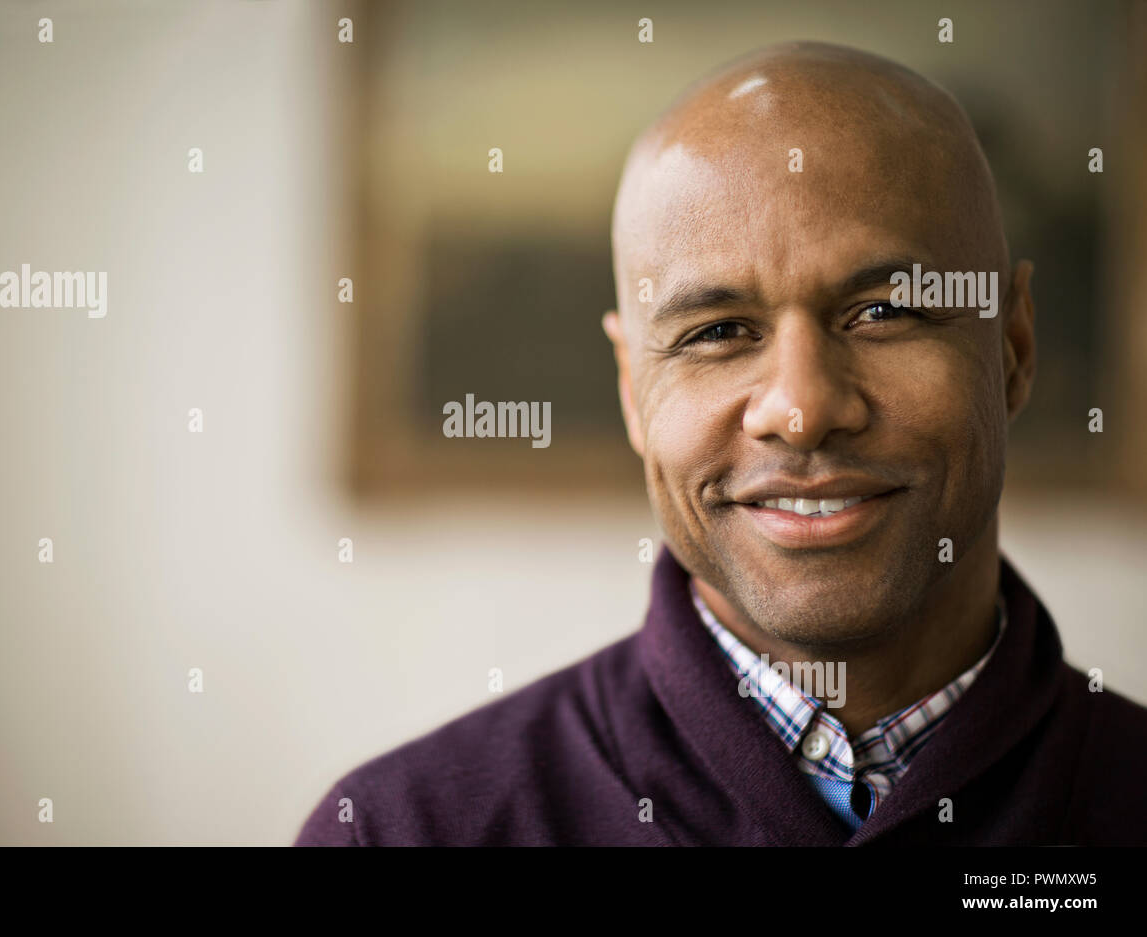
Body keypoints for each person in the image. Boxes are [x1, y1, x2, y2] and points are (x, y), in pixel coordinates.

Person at [295, 41, 1147, 846]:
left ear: (1013, 349)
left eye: (884, 311)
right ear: (633, 388)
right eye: (717, 331)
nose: (801, 411)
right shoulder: (406, 830)